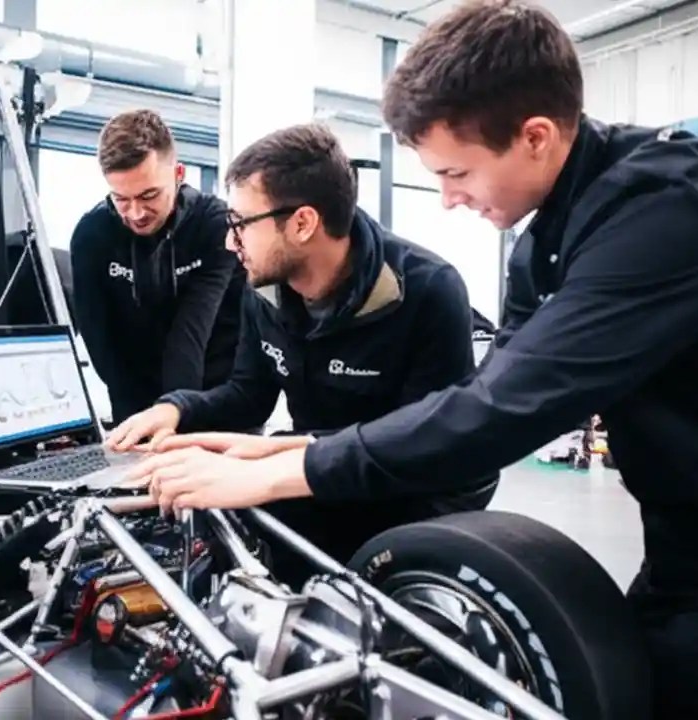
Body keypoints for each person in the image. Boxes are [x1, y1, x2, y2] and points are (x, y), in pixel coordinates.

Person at [127, 2, 698, 718]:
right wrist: (284, 446)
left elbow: (497, 416)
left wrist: (274, 475)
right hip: (684, 554)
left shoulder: (663, 218)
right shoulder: (548, 240)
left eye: (457, 173)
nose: (448, 200)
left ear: (536, 136)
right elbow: (485, 388)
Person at [110, 122, 498, 579]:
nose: (228, 241)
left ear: (302, 223)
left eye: (239, 224)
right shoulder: (264, 290)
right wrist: (177, 410)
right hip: (321, 472)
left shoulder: (427, 291)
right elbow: (248, 394)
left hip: (415, 495)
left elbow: (421, 449)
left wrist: (278, 462)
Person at [69, 110, 246, 425]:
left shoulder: (217, 227)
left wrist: (175, 418)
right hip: (135, 394)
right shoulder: (91, 237)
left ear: (178, 174)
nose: (136, 213)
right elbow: (100, 342)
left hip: (215, 394)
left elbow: (190, 332)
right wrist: (136, 424)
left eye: (149, 195)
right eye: (121, 199)